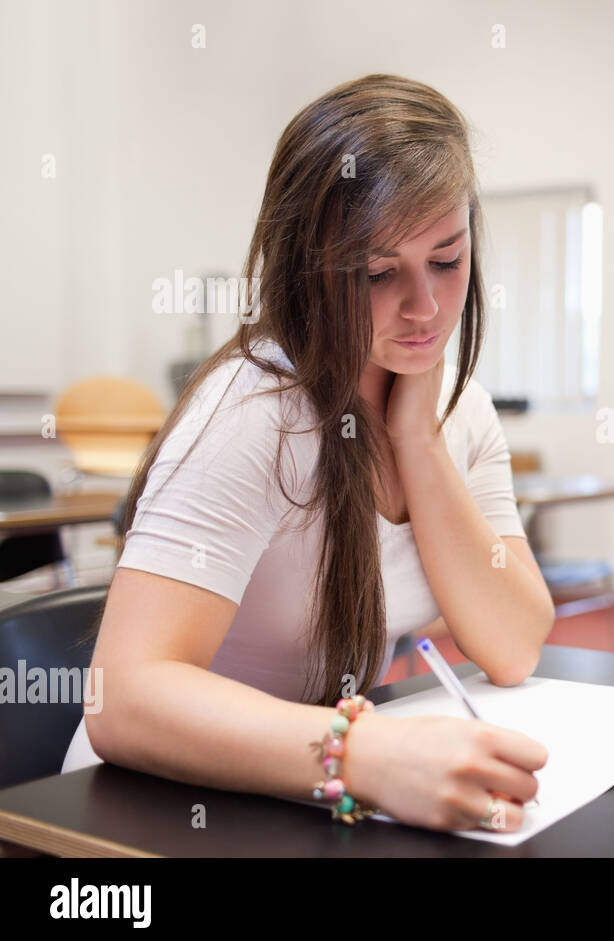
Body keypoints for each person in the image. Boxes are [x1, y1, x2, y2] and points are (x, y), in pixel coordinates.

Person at [62, 74, 554, 835]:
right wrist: (362, 755)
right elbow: (123, 698)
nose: (424, 308)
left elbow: (514, 644)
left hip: (302, 797)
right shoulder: (254, 413)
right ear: (307, 267)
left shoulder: (459, 410)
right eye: (378, 273)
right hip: (151, 810)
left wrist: (416, 438)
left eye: (448, 260)